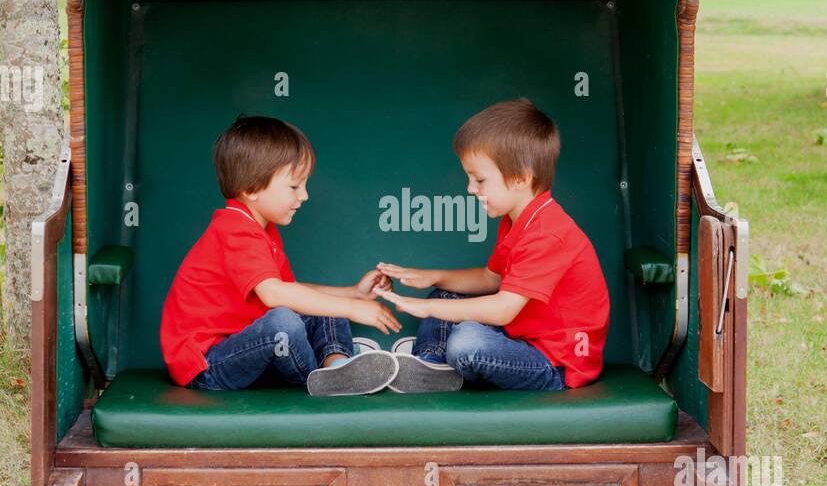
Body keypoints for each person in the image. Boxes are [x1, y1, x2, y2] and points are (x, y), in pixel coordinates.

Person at [374, 98, 610, 394]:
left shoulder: (547, 233)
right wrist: (432, 276)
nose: (471, 189)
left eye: (480, 179)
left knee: (467, 340)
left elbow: (502, 310)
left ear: (521, 178)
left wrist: (425, 307)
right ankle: (429, 364)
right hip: (520, 339)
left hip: (555, 365)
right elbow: (491, 278)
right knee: (447, 296)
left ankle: (442, 361)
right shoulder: (516, 219)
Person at [160, 115, 400, 395]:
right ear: (251, 188)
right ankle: (318, 378)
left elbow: (291, 291)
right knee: (284, 321)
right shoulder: (235, 230)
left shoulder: (263, 229)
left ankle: (338, 365)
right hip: (209, 365)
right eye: (294, 186)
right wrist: (354, 308)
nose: (305, 196)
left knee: (324, 305)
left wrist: (353, 294)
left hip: (243, 347)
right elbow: (274, 295)